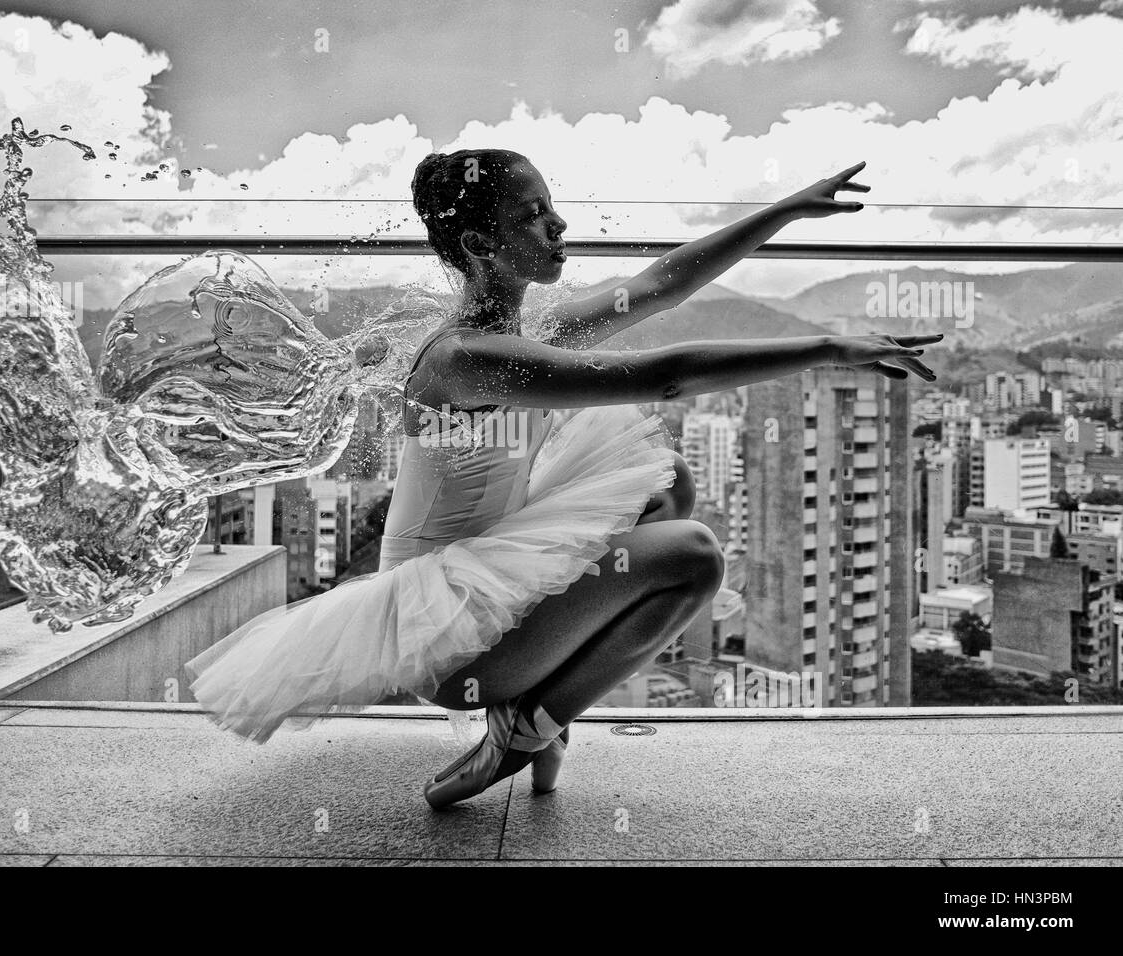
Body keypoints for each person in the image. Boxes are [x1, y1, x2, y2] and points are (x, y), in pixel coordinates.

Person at [187, 149, 941, 810]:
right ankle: (524, 728)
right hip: (447, 638)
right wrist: (830, 347)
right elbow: (668, 377)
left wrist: (783, 210)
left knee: (666, 485)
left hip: (487, 577)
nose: (559, 227)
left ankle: (538, 711)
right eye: (535, 215)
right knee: (693, 555)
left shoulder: (521, 333)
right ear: (483, 244)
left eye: (553, 209)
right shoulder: (466, 359)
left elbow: (658, 287)